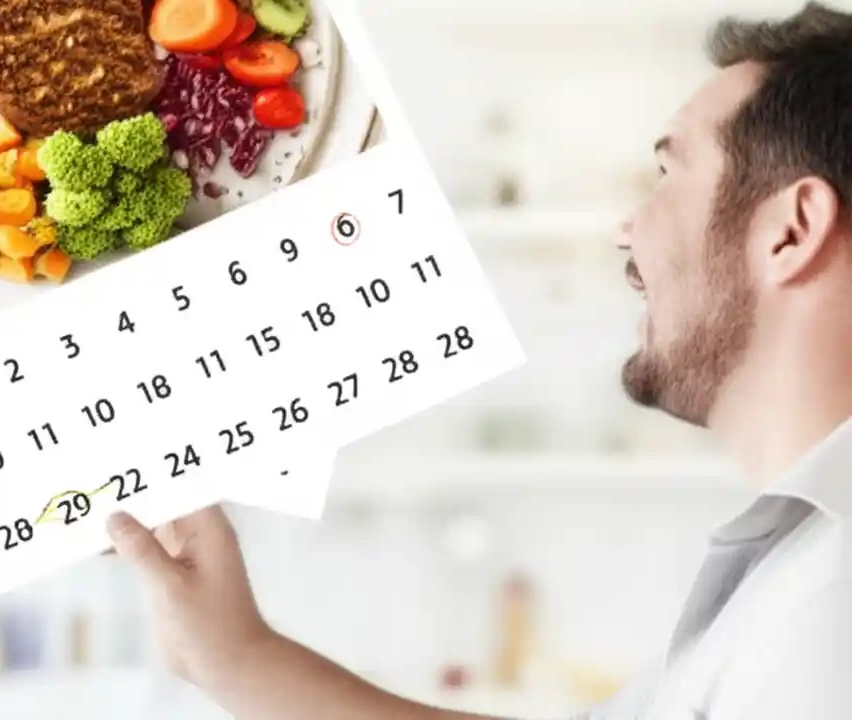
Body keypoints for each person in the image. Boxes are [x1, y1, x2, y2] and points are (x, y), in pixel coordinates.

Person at [105, 3, 852, 719]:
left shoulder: (833, 603)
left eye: (668, 171)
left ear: (791, 231)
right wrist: (233, 655)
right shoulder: (797, 566)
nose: (626, 230)